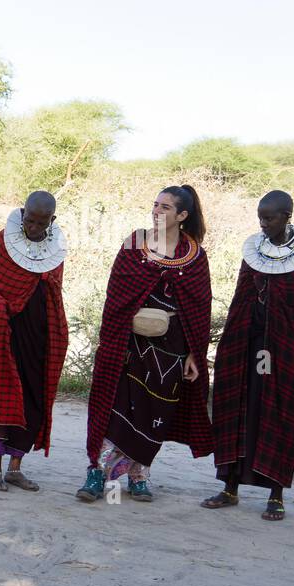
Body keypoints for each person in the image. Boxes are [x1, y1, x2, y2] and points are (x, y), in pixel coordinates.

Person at [77, 185, 212, 503]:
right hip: (127, 342)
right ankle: (98, 475)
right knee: (114, 406)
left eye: (165, 208)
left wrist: (195, 353)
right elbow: (117, 294)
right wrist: (114, 337)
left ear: (182, 215)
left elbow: (199, 305)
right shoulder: (135, 243)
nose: (156, 211)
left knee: (155, 411)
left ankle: (138, 475)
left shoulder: (193, 255)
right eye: (155, 205)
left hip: (170, 350)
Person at [203, 191, 294, 522]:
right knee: (238, 409)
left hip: (286, 348)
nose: (264, 224)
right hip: (247, 344)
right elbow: (242, 297)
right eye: (260, 218)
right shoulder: (255, 250)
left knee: (278, 413)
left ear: (287, 215)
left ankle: (276, 493)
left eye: (270, 218)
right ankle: (229, 486)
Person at [0, 192, 68, 491]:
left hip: (40, 332)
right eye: (30, 220)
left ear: (52, 220)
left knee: (31, 398)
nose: (34, 227)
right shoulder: (4, 241)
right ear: (22, 213)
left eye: (41, 222)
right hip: (7, 330)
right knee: (2, 393)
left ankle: (15, 467)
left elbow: (54, 284)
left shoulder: (56, 246)